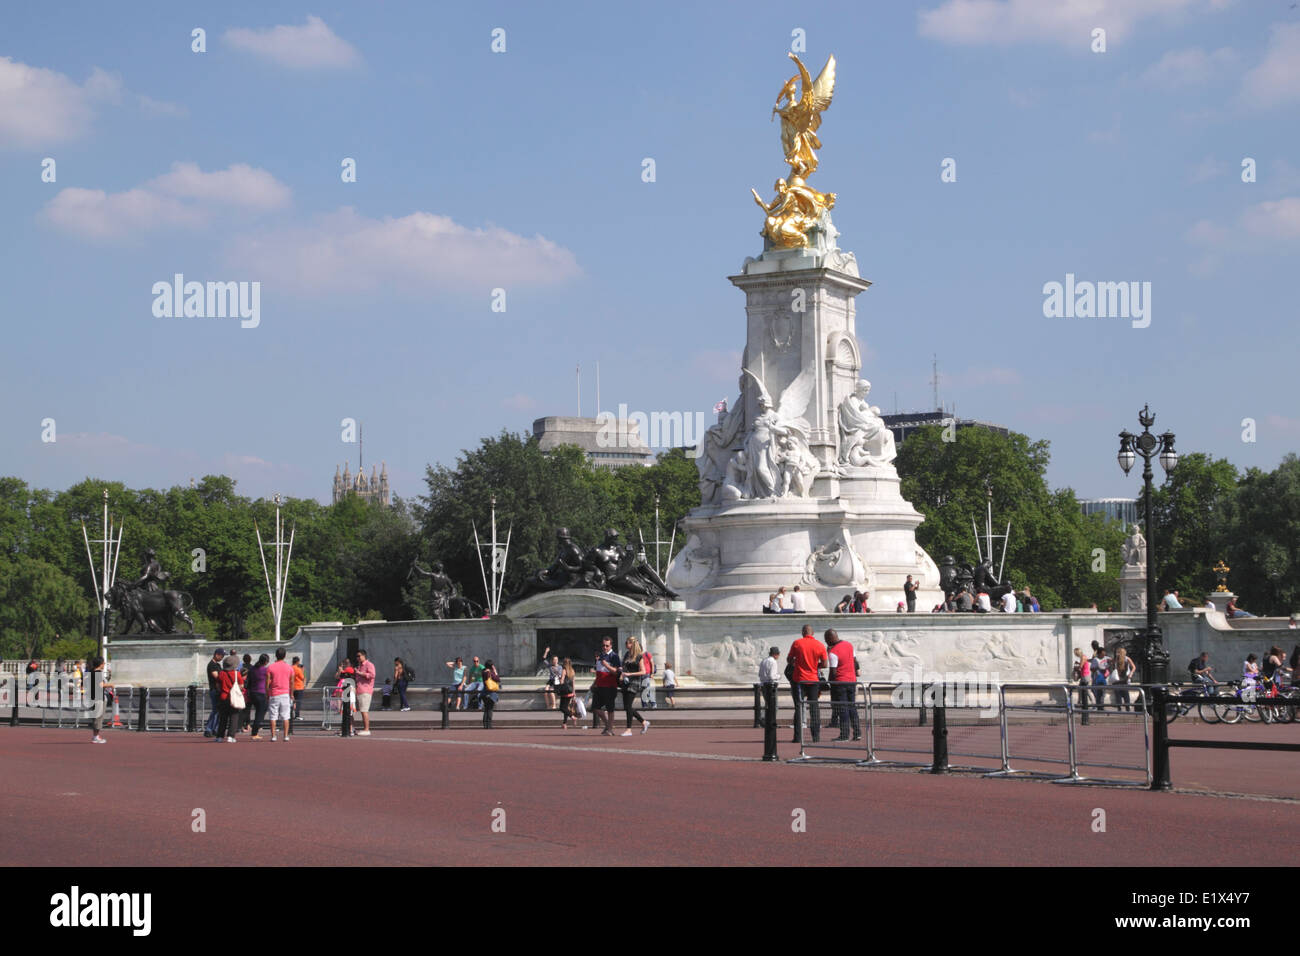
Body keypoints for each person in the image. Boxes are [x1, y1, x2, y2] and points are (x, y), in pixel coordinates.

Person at [787, 624, 827, 745]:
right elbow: (825, 664)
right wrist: (815, 666)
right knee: (814, 708)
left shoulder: (797, 643)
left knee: (798, 708)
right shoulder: (819, 645)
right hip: (813, 680)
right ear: (812, 633)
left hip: (799, 680)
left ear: (802, 632)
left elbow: (789, 660)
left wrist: (797, 663)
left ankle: (797, 737)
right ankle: (816, 736)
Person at [825, 629, 860, 741]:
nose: (826, 642)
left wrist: (829, 682)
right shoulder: (849, 645)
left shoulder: (833, 652)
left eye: (826, 640)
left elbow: (833, 672)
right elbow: (854, 661)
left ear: (830, 638)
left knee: (843, 709)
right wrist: (855, 672)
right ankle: (857, 733)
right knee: (852, 707)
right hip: (852, 680)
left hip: (840, 683)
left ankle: (844, 735)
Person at [619, 637, 651, 735]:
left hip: (634, 683)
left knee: (628, 706)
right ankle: (644, 722)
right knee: (627, 706)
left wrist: (630, 674)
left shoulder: (639, 656)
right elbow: (624, 667)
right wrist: (621, 671)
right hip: (625, 682)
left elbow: (643, 671)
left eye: (627, 643)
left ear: (631, 644)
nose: (625, 645)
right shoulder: (627, 654)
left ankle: (629, 729)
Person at [592, 637, 622, 736]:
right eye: (603, 645)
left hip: (610, 686)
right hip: (599, 686)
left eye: (607, 645)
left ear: (611, 646)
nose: (605, 647)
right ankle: (608, 725)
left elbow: (617, 672)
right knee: (595, 708)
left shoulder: (614, 656)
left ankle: (609, 729)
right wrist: (594, 684)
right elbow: (598, 672)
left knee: (610, 709)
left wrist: (607, 665)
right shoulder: (600, 656)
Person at [215, 655, 246, 743]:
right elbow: (241, 686)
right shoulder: (237, 674)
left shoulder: (221, 673)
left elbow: (217, 685)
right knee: (234, 717)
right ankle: (231, 736)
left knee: (223, 718)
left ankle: (220, 736)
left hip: (223, 697)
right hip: (234, 698)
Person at [758, 646, 782, 761]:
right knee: (773, 706)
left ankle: (764, 719)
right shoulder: (773, 662)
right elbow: (772, 676)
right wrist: (779, 676)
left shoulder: (763, 661)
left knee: (767, 704)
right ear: (776, 654)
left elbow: (760, 674)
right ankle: (770, 721)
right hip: (771, 686)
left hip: (763, 685)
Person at [266, 647, 294, 742]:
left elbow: (267, 683)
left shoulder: (270, 667)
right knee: (286, 716)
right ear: (285, 656)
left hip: (274, 693)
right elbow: (292, 682)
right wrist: (291, 693)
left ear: (276, 655)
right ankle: (286, 735)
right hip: (285, 693)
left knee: (273, 715)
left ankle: (273, 736)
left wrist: (267, 693)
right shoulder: (289, 668)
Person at [87, 656, 112, 744]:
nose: (104, 664)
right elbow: (101, 685)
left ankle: (96, 735)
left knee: (96, 717)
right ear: (100, 664)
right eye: (103, 663)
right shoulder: (97, 673)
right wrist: (111, 685)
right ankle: (96, 736)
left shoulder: (91, 671)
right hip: (98, 698)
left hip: (92, 697)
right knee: (99, 717)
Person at [246, 653, 271, 739]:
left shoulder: (252, 669)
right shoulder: (265, 670)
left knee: (258, 712)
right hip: (261, 693)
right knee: (260, 714)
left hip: (253, 693)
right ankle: (254, 732)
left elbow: (248, 681)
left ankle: (255, 728)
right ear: (266, 662)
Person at [204, 647, 226, 737]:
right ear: (217, 655)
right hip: (215, 690)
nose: (222, 658)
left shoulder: (217, 665)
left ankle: (214, 729)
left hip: (218, 690)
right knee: (215, 710)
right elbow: (217, 676)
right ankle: (209, 729)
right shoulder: (212, 665)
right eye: (222, 656)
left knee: (217, 711)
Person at [353, 649, 376, 736]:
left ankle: (367, 729)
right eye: (357, 656)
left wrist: (360, 673)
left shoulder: (369, 665)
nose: (357, 658)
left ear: (364, 656)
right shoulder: (359, 666)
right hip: (359, 690)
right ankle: (365, 729)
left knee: (364, 710)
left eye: (359, 656)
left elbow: (372, 675)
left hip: (365, 690)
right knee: (362, 710)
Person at [1110, 647, 1136, 712]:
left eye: (1118, 652)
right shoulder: (1116, 659)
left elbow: (1133, 667)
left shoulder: (1126, 659)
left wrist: (1131, 674)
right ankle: (1122, 707)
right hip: (1119, 678)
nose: (1117, 654)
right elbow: (1112, 664)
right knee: (1121, 693)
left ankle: (1124, 707)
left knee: (1123, 693)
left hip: (1122, 678)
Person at [558, 658, 580, 729]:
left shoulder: (564, 670)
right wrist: (574, 692)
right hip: (570, 692)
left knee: (562, 708)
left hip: (564, 691)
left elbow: (561, 681)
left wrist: (559, 678)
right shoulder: (572, 671)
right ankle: (564, 724)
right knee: (566, 707)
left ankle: (573, 717)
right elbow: (573, 683)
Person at [1072, 648, 1091, 725]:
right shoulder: (1082, 657)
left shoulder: (1083, 657)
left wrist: (1075, 668)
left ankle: (1087, 707)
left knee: (1086, 691)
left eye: (1076, 654)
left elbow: (1080, 667)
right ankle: (1082, 706)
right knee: (1082, 690)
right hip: (1084, 675)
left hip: (1085, 676)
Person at [480, 659, 500, 728]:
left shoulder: (483, 672)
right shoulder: (490, 673)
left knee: (486, 709)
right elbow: (498, 679)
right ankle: (489, 725)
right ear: (491, 666)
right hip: (490, 693)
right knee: (490, 709)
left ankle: (485, 724)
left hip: (484, 692)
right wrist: (495, 671)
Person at [1090, 641, 1110, 711]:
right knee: (1098, 692)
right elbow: (1092, 668)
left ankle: (1101, 705)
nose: (1104, 655)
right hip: (1097, 677)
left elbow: (1112, 661)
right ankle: (1099, 705)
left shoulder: (1106, 658)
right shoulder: (1095, 658)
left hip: (1105, 677)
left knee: (1103, 692)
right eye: (1102, 654)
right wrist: (1098, 668)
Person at [291, 656, 306, 722]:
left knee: (292, 702)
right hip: (299, 687)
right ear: (297, 662)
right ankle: (297, 715)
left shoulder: (290, 668)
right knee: (298, 702)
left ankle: (290, 714)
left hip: (292, 687)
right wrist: (302, 671)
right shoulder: (298, 669)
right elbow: (302, 677)